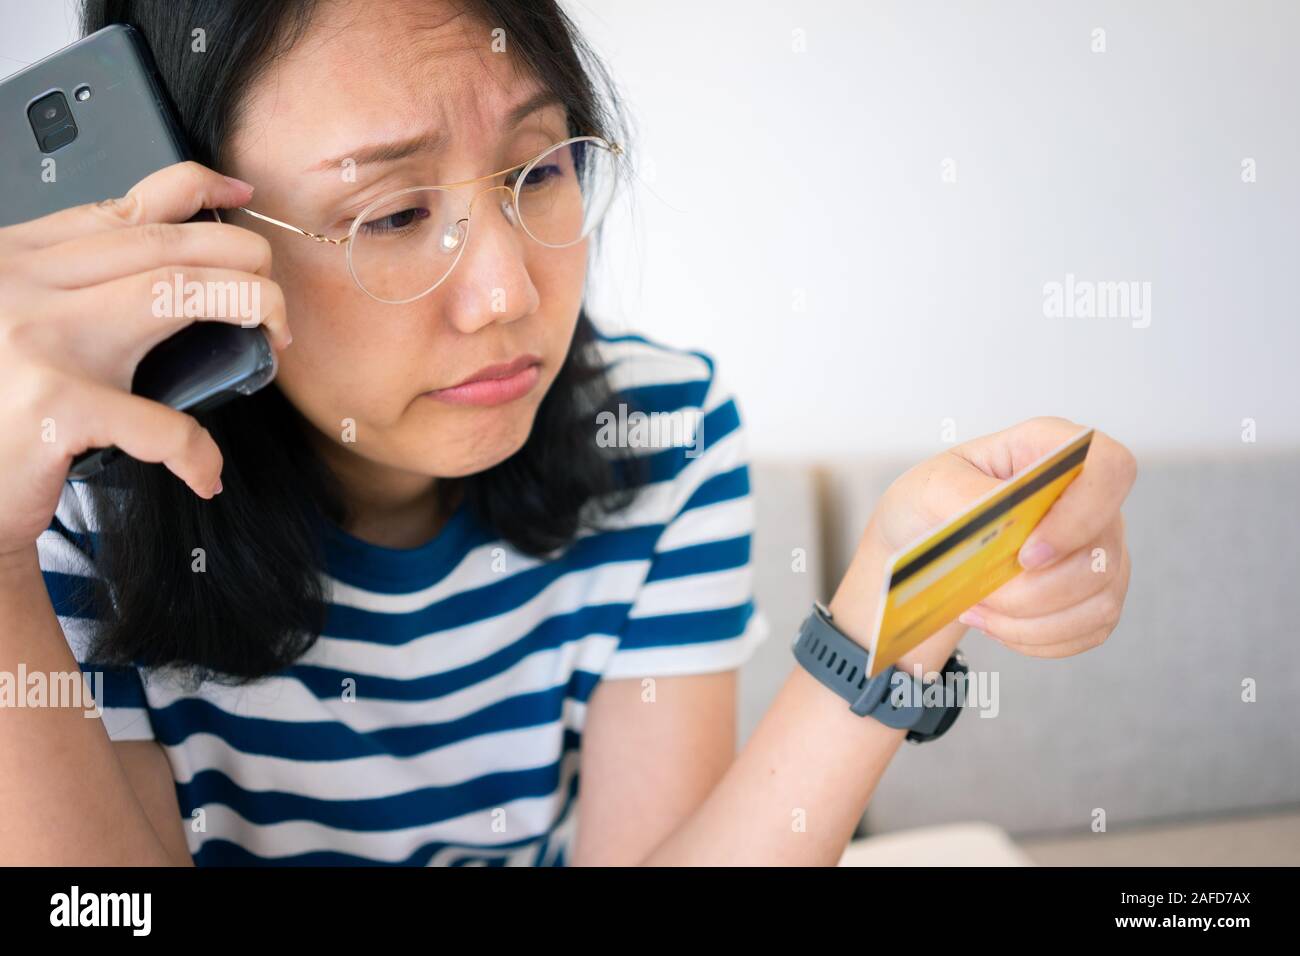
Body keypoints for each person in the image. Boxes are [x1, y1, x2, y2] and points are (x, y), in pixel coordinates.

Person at [0, 0, 1135, 866]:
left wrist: (898, 604)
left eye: (538, 170)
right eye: (392, 213)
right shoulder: (69, 509)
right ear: (190, 239)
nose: (507, 291)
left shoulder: (659, 432)